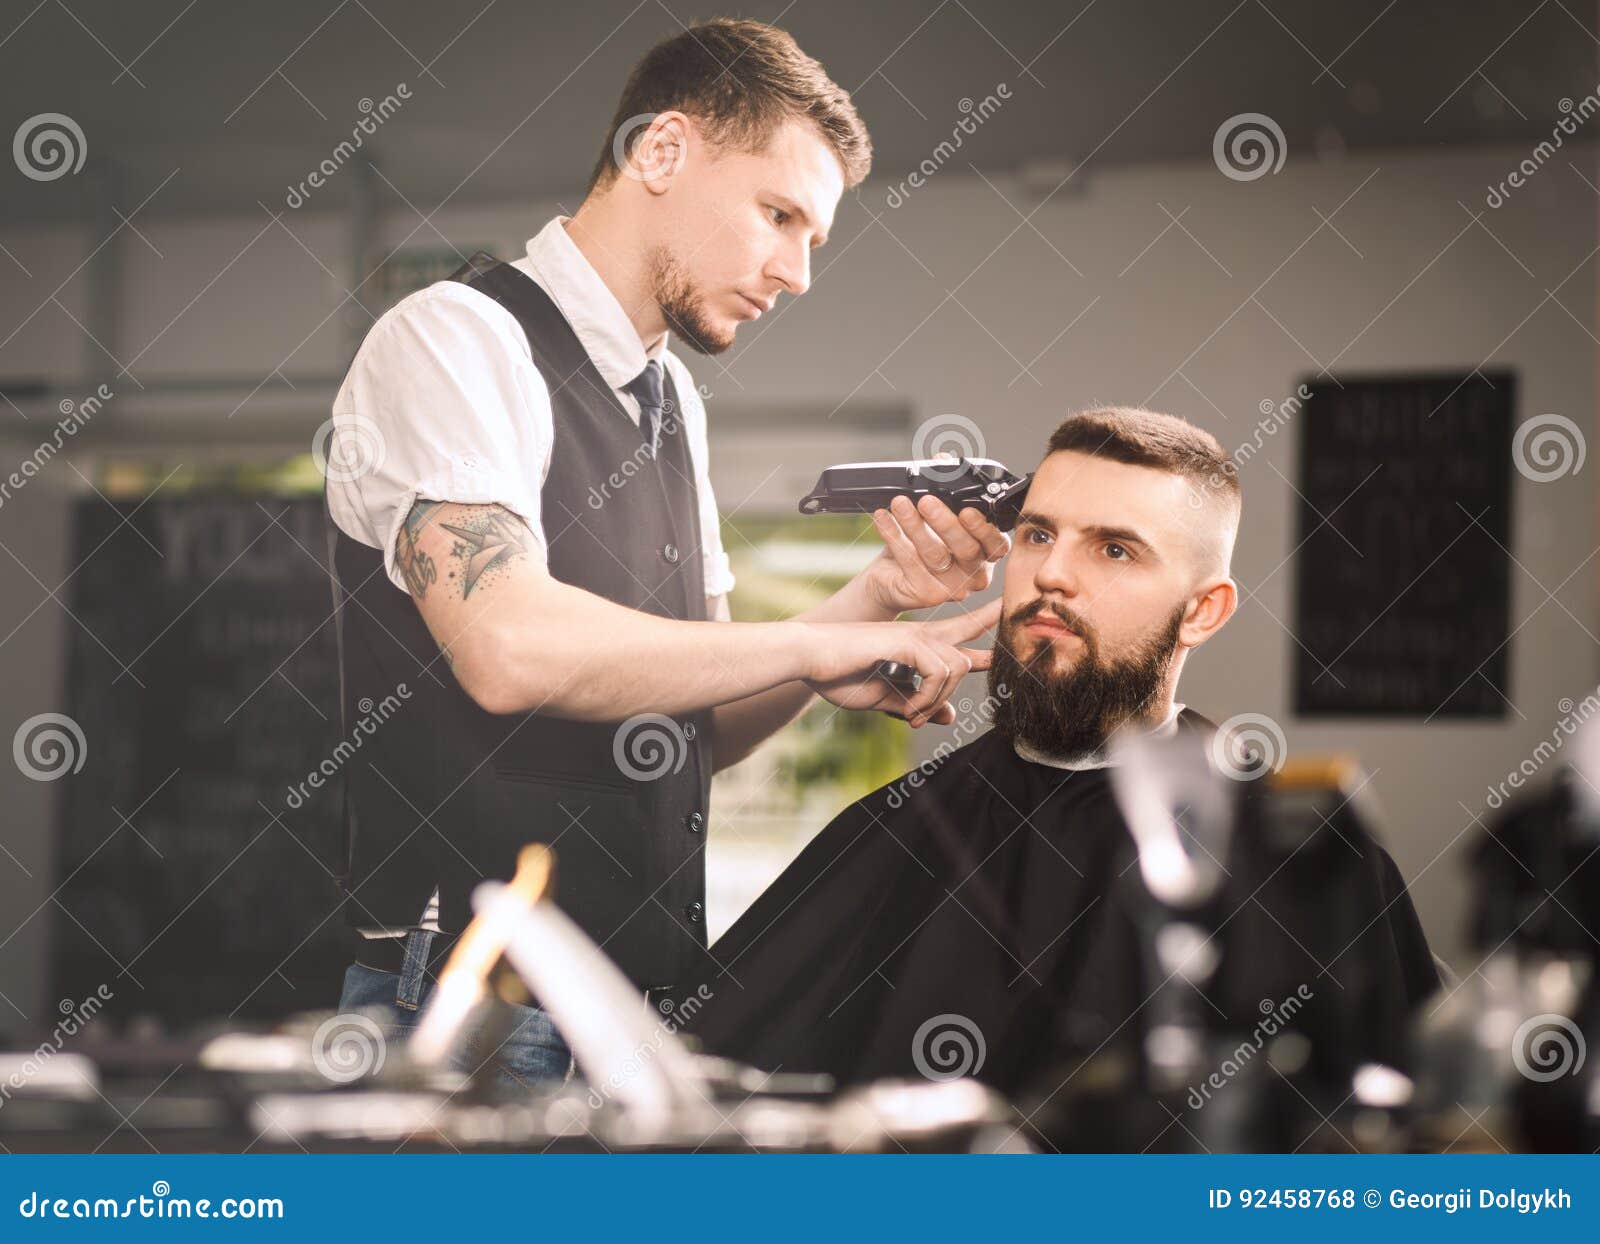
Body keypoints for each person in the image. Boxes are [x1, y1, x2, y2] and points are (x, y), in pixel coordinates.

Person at [323, 19, 1009, 1086]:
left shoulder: (670, 400)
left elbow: (694, 729)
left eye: (814, 238)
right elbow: (506, 645)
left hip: (631, 1002)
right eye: (777, 214)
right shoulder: (455, 339)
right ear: (660, 153)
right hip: (472, 1003)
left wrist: (868, 604)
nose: (796, 271)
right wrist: (808, 642)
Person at [683, 407, 1441, 1112]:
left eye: (1114, 549)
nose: (1051, 574)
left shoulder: (1291, 850)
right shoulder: (898, 825)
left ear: (1202, 611)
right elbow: (701, 1093)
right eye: (1039, 535)